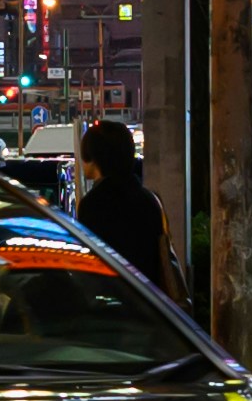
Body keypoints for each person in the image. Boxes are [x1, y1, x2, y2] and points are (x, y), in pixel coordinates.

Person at [70, 116, 180, 308]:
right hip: (152, 307)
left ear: (92, 158)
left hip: (113, 309)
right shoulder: (150, 199)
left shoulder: (92, 205)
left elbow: (90, 265)